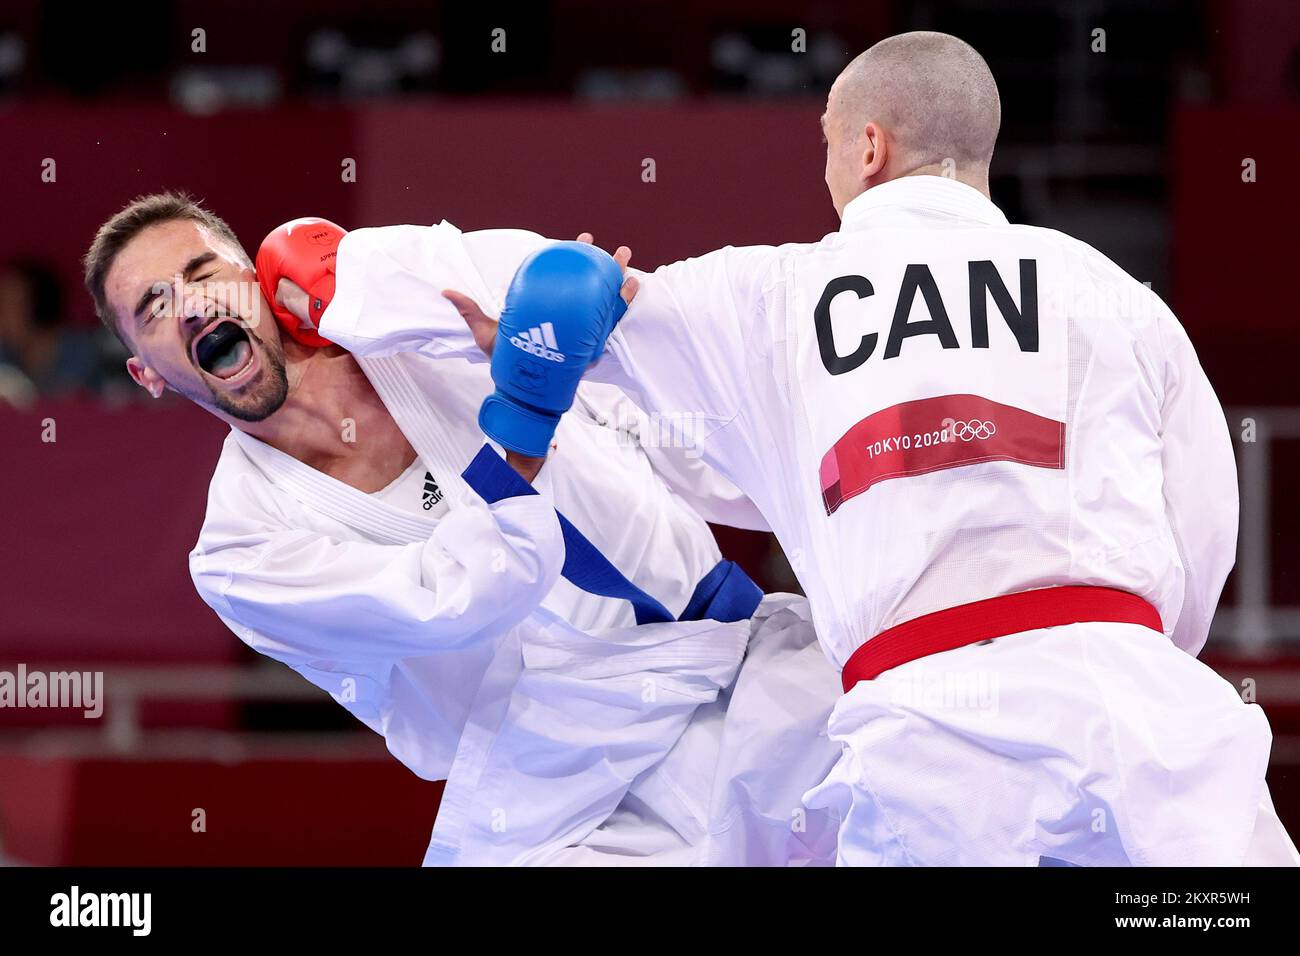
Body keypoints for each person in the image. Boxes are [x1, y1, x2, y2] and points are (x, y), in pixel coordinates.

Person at [373, 32, 1299, 866]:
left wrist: (357, 287)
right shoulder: (1113, 291)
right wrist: (1129, 644)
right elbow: (1205, 520)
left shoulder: (771, 296)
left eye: (826, 139)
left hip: (930, 751)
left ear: (867, 147)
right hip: (1146, 724)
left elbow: (564, 294)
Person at [81, 194, 842, 866]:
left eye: (203, 271)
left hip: (748, 668)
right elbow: (453, 598)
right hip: (570, 803)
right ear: (146, 373)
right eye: (153, 306)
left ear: (252, 274)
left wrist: (588, 345)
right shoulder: (239, 551)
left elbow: (619, 377)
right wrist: (524, 415)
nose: (188, 304)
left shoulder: (397, 315)